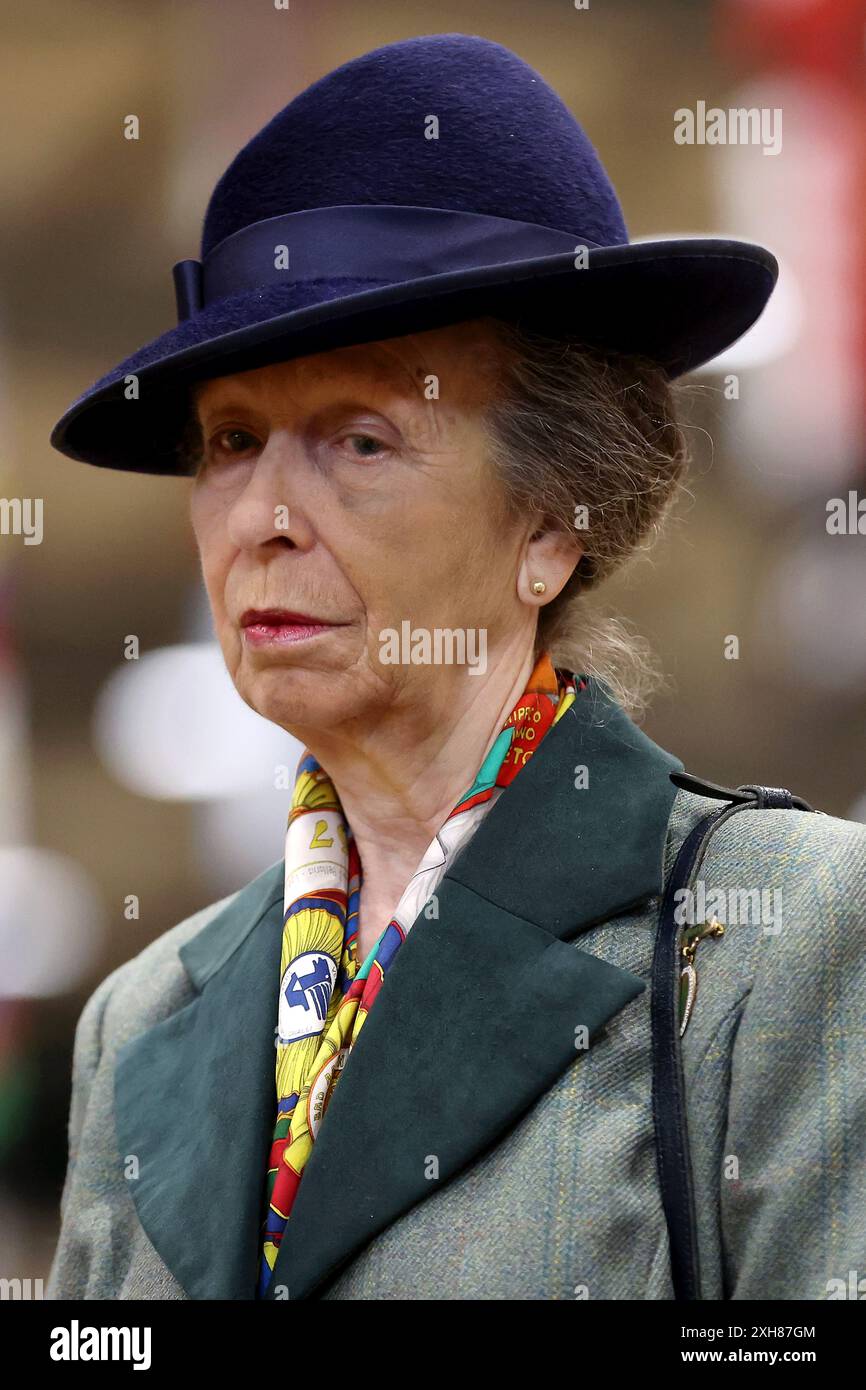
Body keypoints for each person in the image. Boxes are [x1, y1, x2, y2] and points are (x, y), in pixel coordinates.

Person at [46, 33, 865, 1301]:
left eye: (357, 439)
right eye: (228, 440)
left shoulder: (795, 927)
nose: (261, 514)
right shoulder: (138, 1015)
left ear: (551, 520)